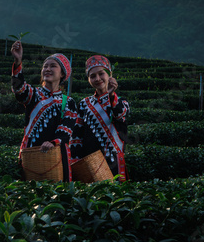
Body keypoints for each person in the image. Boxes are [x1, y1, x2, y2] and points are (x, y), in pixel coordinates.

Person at [57, 54, 130, 181]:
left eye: (101, 74)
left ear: (109, 75)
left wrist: (111, 94)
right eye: (92, 76)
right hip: (91, 164)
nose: (97, 79)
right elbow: (76, 136)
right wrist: (75, 160)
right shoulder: (84, 104)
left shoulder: (121, 101)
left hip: (114, 163)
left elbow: (120, 114)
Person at [10, 40, 73, 179]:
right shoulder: (34, 94)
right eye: (45, 66)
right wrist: (18, 60)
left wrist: (52, 143)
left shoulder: (68, 102)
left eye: (53, 66)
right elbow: (18, 89)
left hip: (55, 157)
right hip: (31, 154)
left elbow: (66, 130)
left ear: (62, 74)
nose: (47, 69)